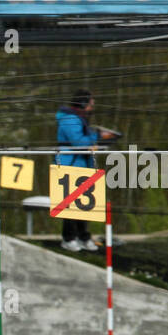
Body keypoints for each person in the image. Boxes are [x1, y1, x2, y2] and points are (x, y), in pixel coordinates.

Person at [55, 90, 115, 252]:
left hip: (82, 165)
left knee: (85, 206)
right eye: (90, 105)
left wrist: (100, 138)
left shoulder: (80, 119)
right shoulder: (70, 120)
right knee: (70, 206)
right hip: (71, 165)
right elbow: (78, 142)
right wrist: (100, 137)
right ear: (83, 104)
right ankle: (68, 238)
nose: (91, 108)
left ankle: (83, 236)